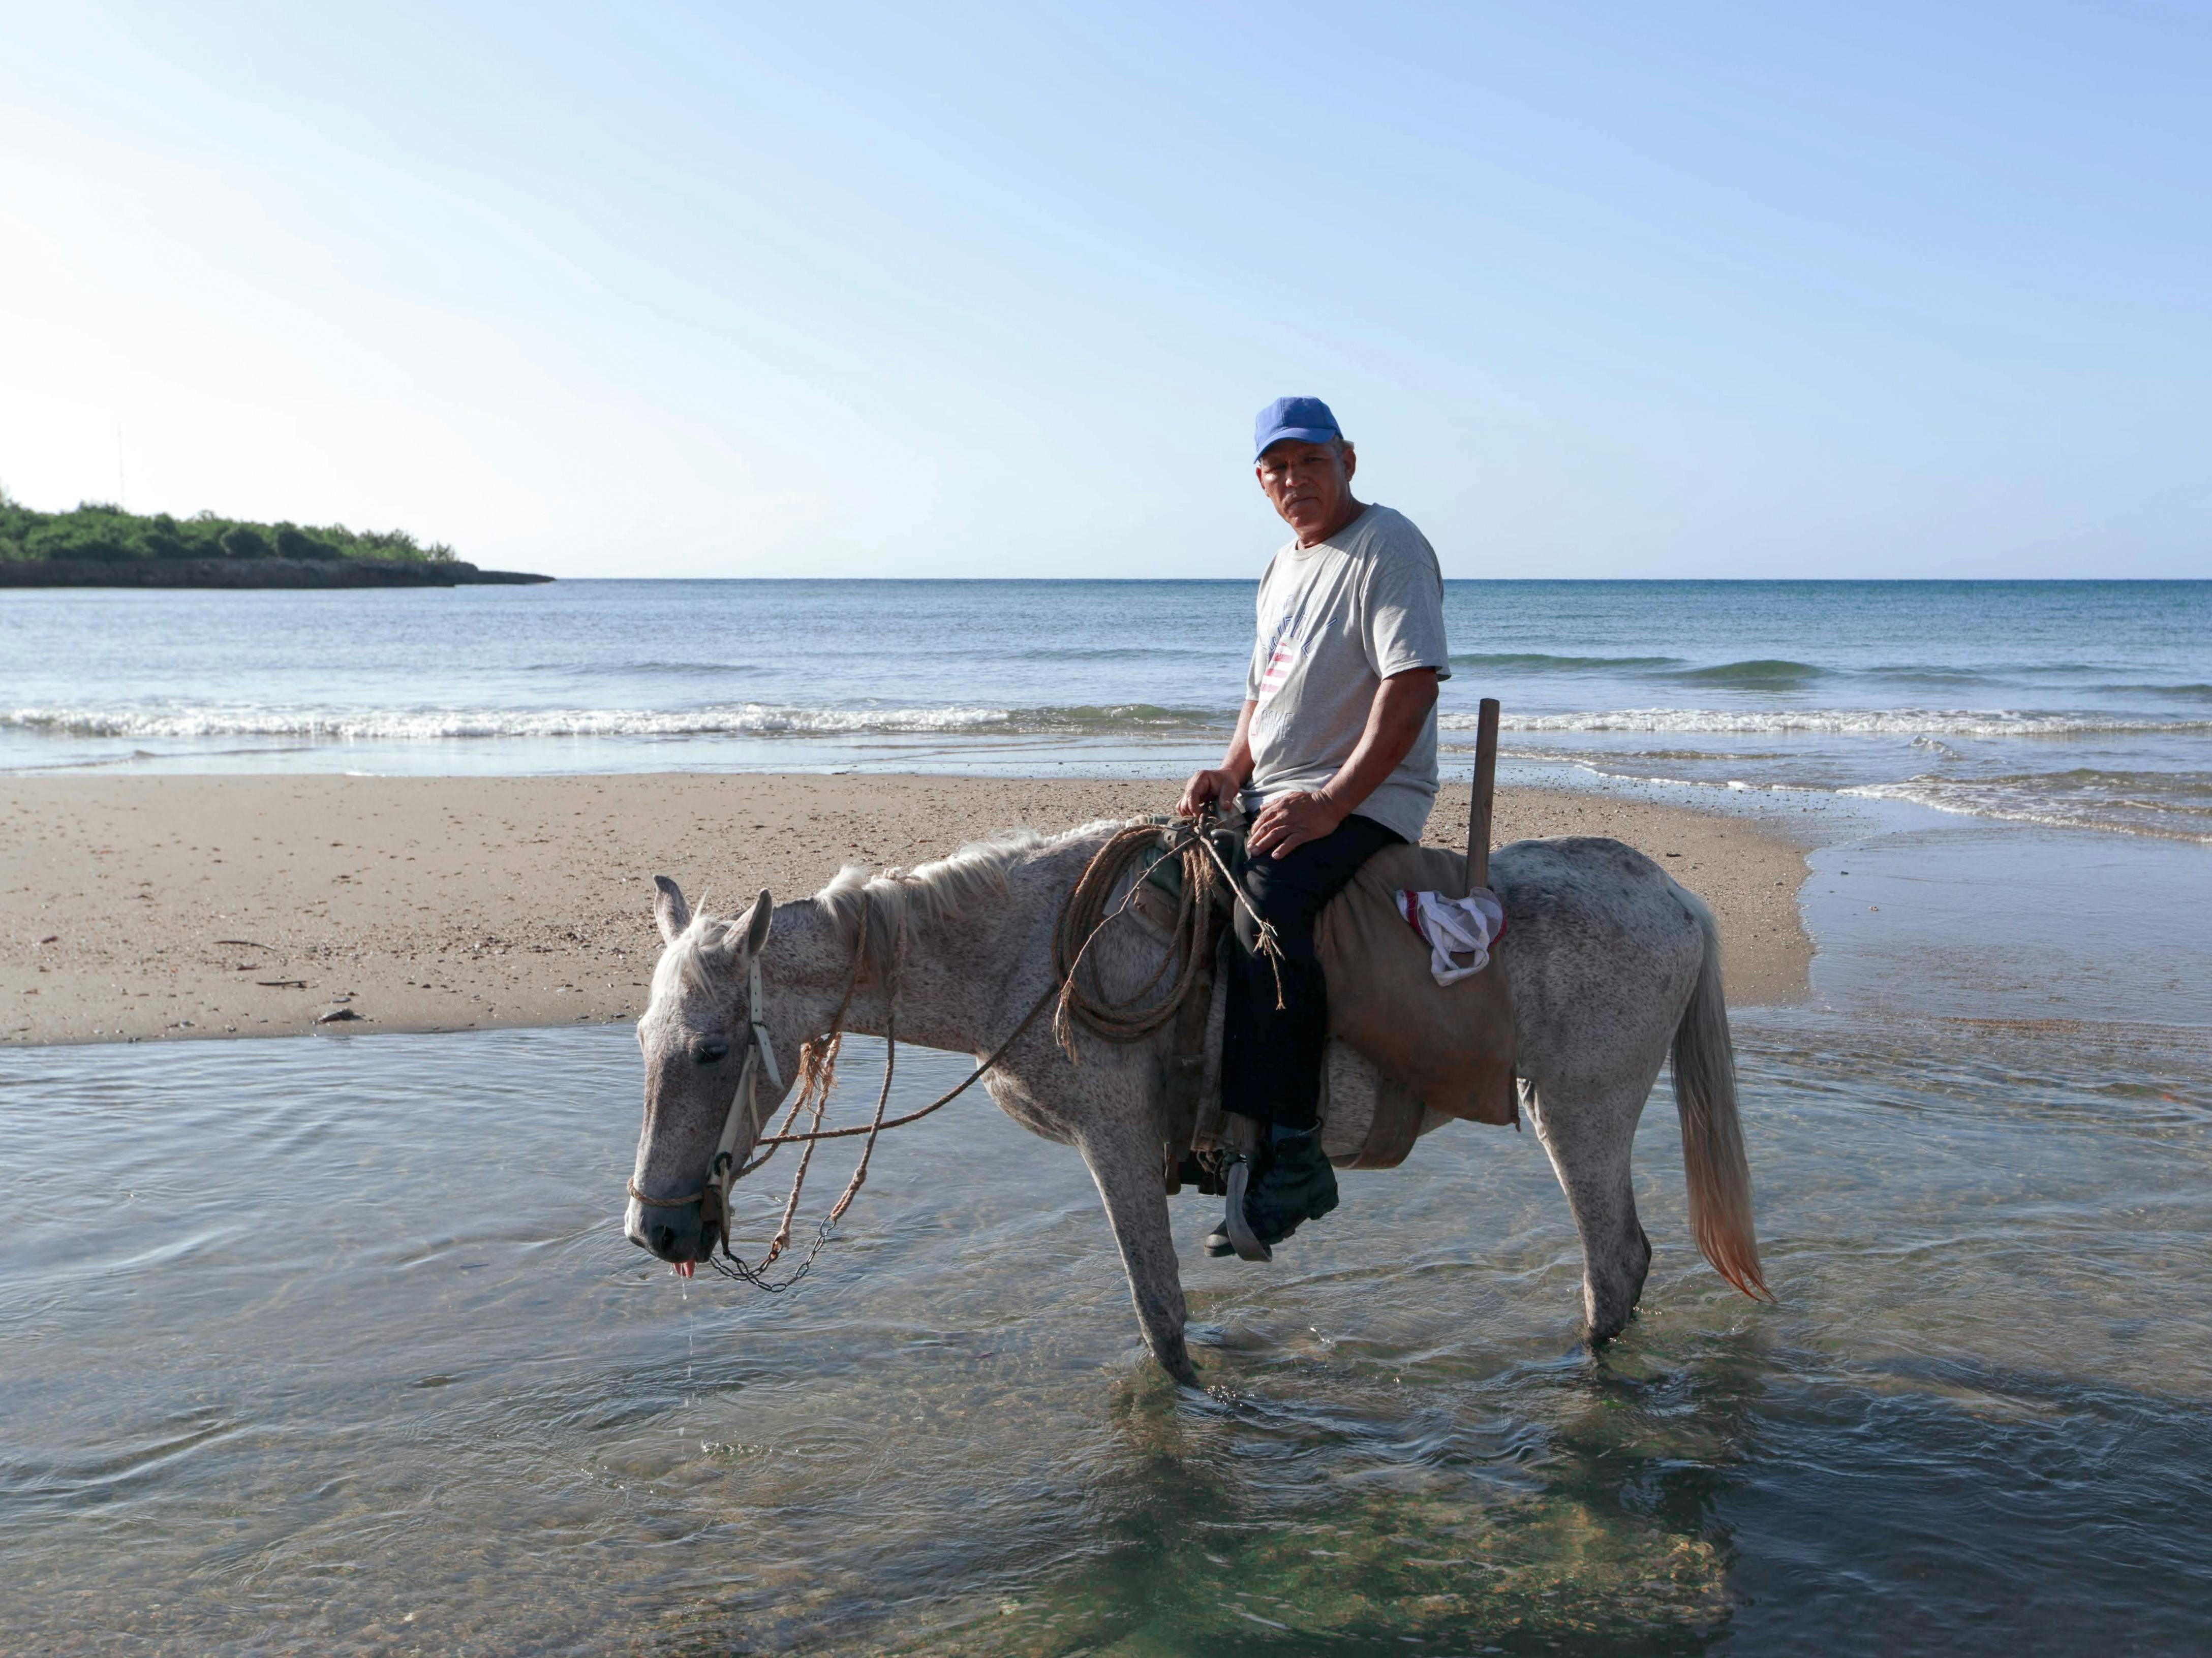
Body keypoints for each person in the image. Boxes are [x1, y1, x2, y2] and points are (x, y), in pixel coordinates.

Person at [1177, 396, 1451, 1257]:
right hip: (1276, 790)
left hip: (1367, 799)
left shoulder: (1388, 546)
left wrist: (1332, 802)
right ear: (1262, 482)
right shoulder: (1280, 568)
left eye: (1311, 463)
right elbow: (1263, 696)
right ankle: (1220, 1137)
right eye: (1278, 469)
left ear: (1349, 462)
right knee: (1167, 890)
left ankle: (1295, 1154)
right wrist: (1230, 771)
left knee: (1267, 914)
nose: (1294, 481)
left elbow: (1410, 688)